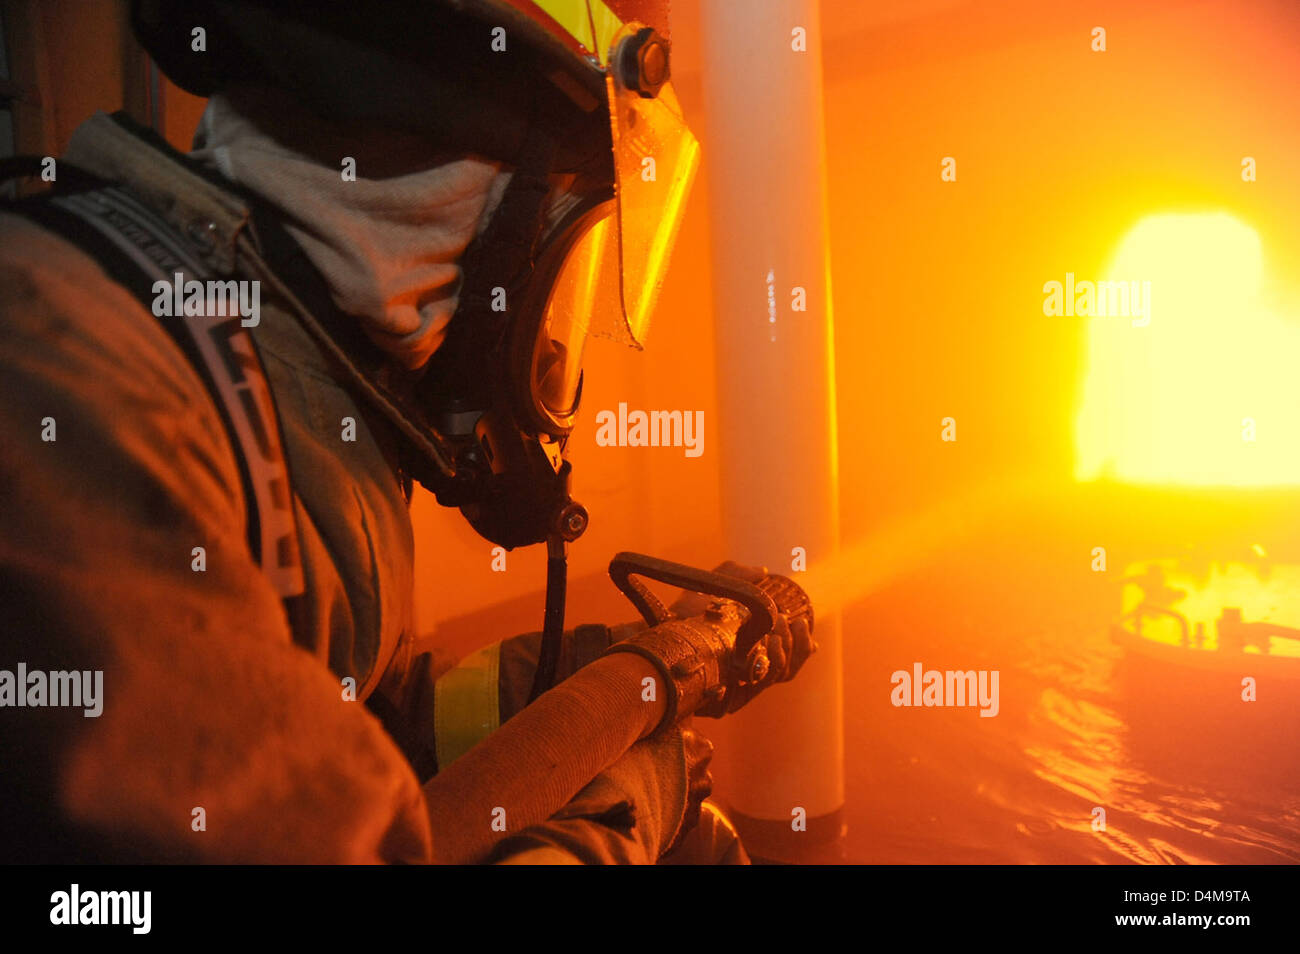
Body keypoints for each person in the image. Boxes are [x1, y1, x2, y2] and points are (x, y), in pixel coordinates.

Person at [0, 0, 813, 864]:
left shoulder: (278, 371)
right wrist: (638, 780)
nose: (546, 347)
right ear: (485, 176)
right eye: (568, 234)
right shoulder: (71, 373)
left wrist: (611, 663)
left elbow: (356, 737)